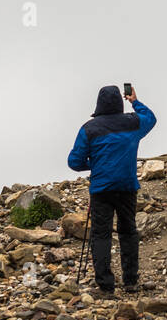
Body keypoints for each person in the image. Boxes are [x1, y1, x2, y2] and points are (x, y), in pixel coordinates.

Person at [67, 85, 157, 296]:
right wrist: (135, 101)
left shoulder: (89, 128)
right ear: (119, 101)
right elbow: (150, 118)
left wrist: (94, 163)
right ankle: (130, 281)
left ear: (99, 103)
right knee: (128, 231)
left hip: (101, 188)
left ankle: (105, 284)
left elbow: (74, 161)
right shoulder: (133, 122)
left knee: (101, 234)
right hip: (127, 186)